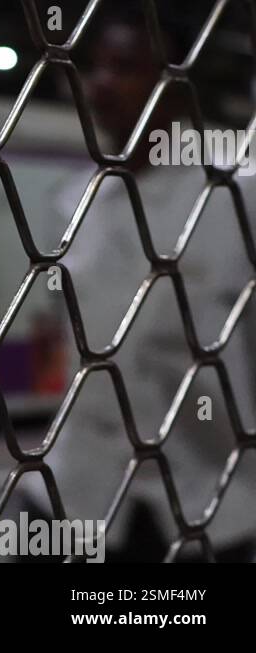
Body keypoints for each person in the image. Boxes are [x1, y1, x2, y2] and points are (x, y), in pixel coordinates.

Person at [27, 9, 256, 561]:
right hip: (74, 491)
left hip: (207, 497)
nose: (100, 84)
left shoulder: (235, 199)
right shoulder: (76, 200)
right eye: (95, 68)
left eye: (125, 67)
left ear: (178, 82)